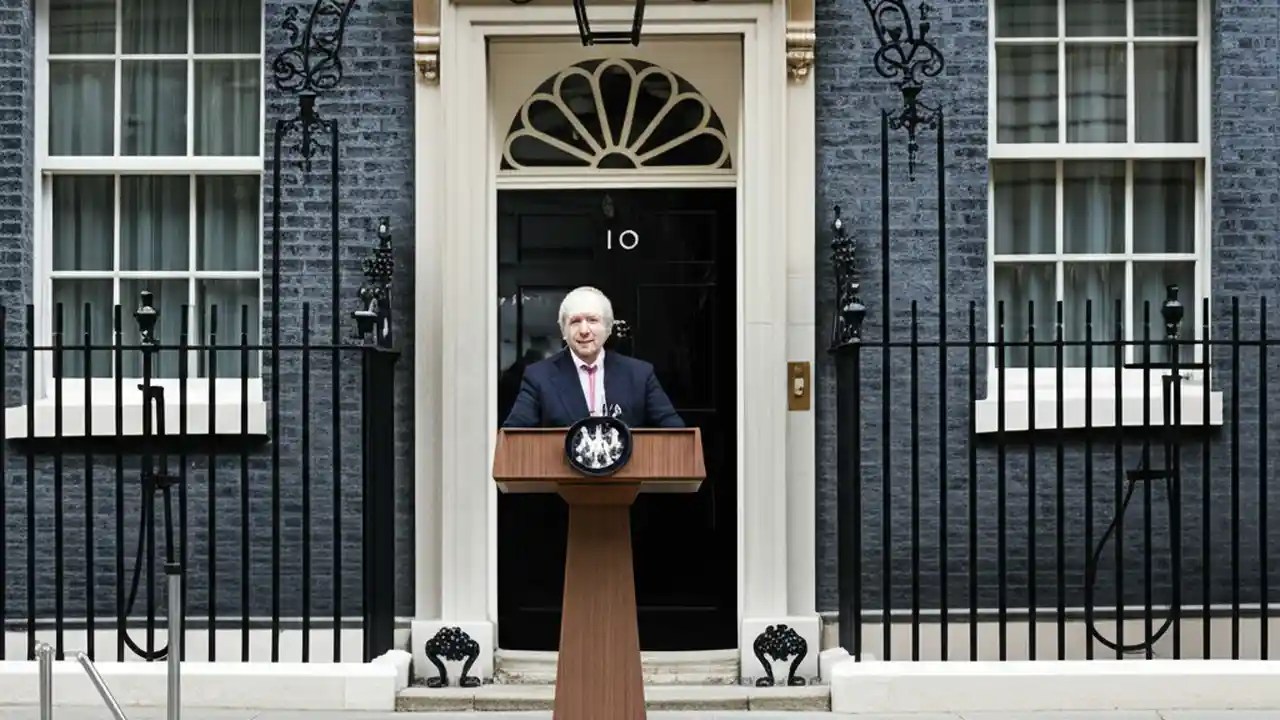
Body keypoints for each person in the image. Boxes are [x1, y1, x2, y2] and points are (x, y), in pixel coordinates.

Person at [502, 286, 683, 429]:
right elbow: (515, 438)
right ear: (563, 330)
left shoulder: (640, 375)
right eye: (574, 321)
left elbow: (674, 433)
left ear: (608, 327)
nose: (583, 330)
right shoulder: (538, 377)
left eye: (592, 320)